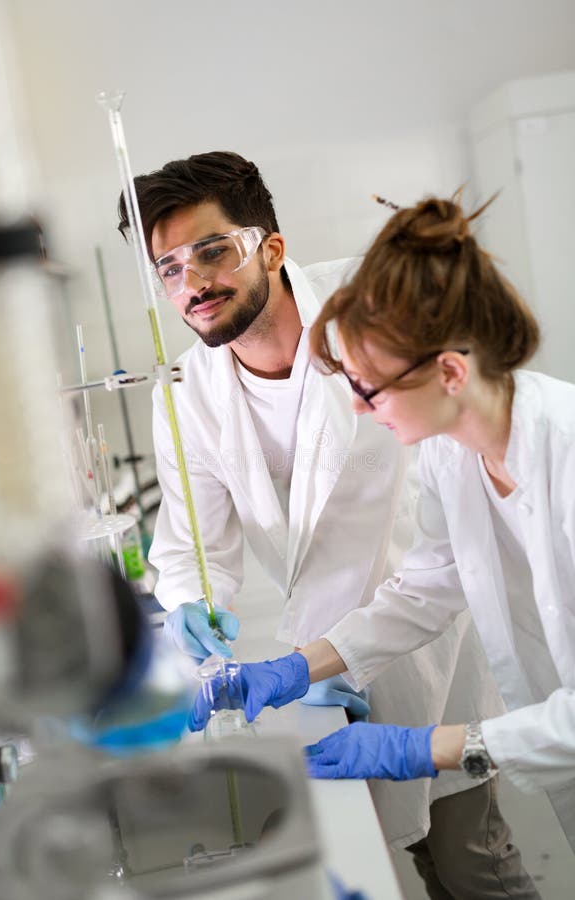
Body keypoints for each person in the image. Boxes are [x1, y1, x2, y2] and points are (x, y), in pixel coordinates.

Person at [118, 157, 537, 898]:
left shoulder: (369, 317)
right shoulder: (187, 392)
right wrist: (190, 602)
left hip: (435, 648)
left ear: (271, 249)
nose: (195, 285)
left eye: (214, 251)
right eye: (170, 268)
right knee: (395, 860)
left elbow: (448, 538)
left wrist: (315, 662)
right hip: (323, 668)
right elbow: (192, 547)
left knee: (473, 865)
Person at [191, 190, 575, 861]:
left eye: (370, 390)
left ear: (450, 371)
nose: (363, 412)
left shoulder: (565, 450)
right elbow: (425, 589)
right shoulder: (456, 454)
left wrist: (429, 747)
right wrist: (295, 668)